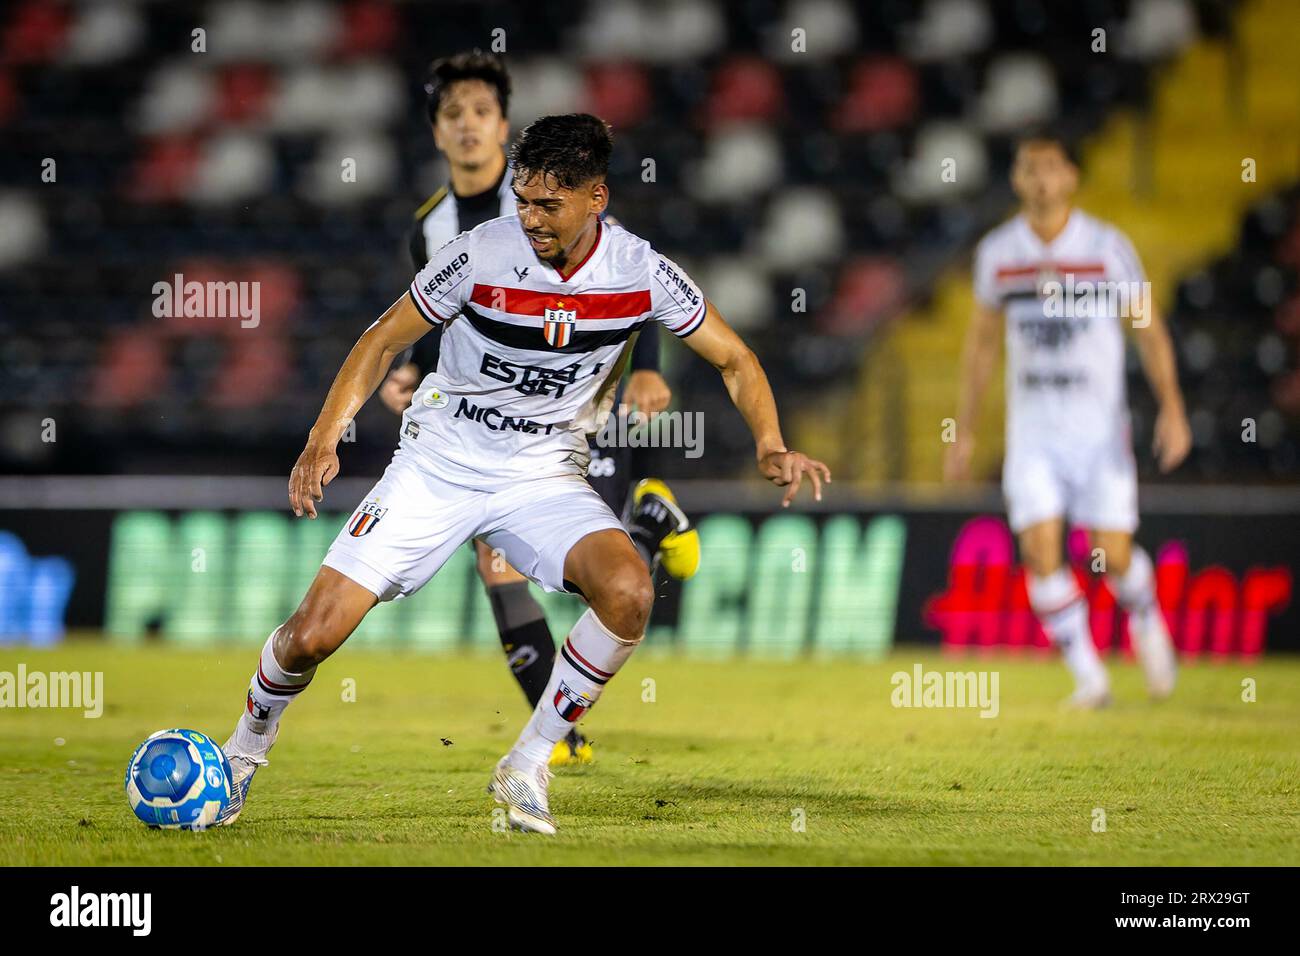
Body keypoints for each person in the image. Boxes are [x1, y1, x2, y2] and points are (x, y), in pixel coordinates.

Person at [217, 113, 830, 833]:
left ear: (595, 198)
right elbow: (382, 339)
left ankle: (529, 761)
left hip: (542, 477)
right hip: (440, 464)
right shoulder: (477, 255)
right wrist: (325, 436)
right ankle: (242, 751)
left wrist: (771, 444)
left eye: (548, 204)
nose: (530, 218)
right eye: (522, 199)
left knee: (629, 589)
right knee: (312, 636)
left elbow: (735, 359)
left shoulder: (640, 271)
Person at [379, 51, 699, 767]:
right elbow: (454, 327)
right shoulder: (429, 228)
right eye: (453, 115)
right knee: (500, 568)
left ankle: (642, 517)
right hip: (486, 426)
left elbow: (625, 283)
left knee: (604, 575)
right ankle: (559, 738)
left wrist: (646, 372)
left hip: (575, 406)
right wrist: (409, 372)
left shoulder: (542, 198)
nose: (467, 127)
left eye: (481, 114)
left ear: (504, 127)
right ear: (435, 133)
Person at [945, 130, 1191, 708]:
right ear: (1015, 179)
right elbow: (980, 345)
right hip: (1032, 433)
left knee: (1113, 554)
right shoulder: (999, 254)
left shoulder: (1107, 247)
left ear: (1072, 177)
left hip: (1100, 433)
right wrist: (964, 426)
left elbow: (1149, 331)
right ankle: (1090, 677)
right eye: (1029, 169)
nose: (1040, 180)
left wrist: (1173, 408)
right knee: (1038, 548)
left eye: (1051, 168)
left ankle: (1145, 611)